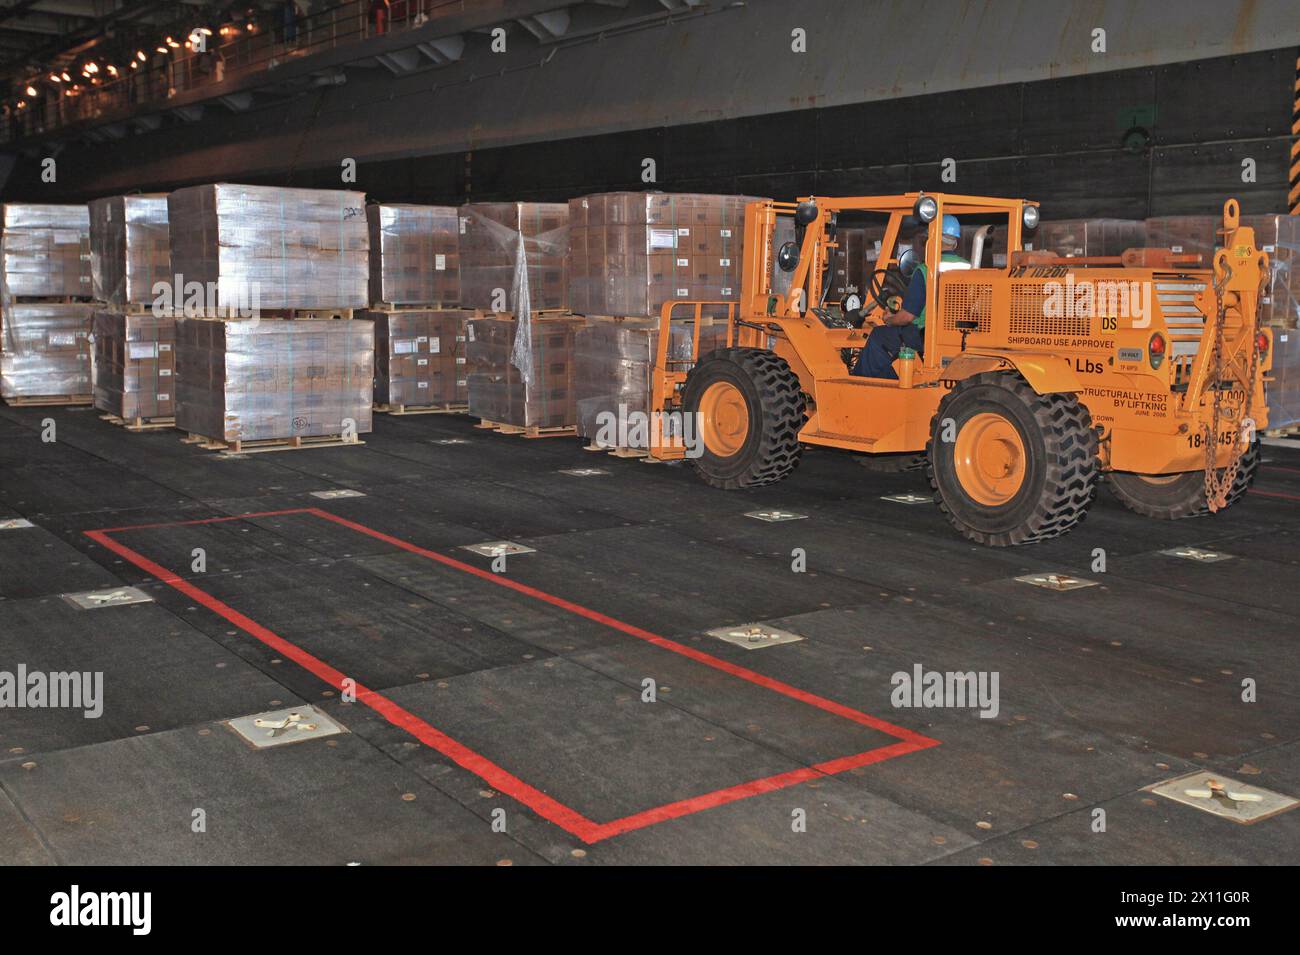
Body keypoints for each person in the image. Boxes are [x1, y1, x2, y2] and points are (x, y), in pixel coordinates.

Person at [852, 214, 969, 379]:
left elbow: (907, 316)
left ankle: (861, 386)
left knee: (879, 335)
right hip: (957, 334)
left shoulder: (925, 270)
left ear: (932, 238)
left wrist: (890, 319)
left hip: (924, 335)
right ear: (955, 242)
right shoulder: (967, 268)